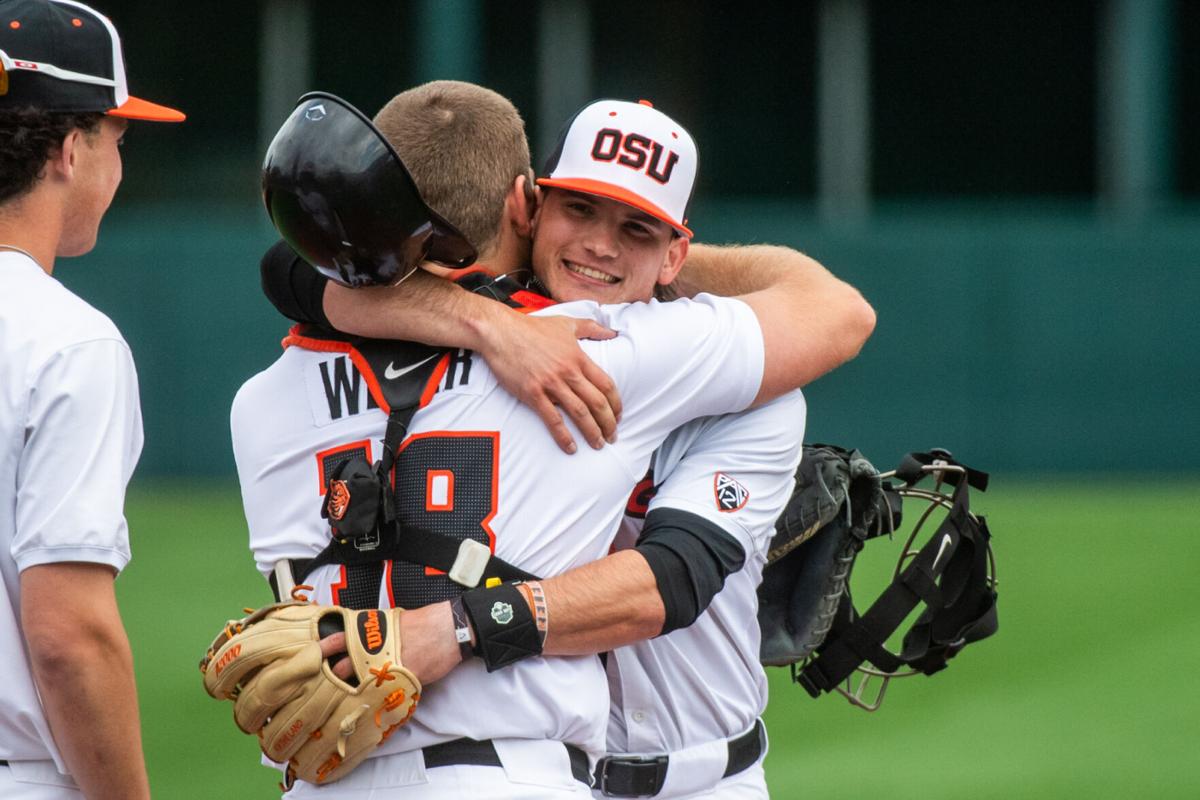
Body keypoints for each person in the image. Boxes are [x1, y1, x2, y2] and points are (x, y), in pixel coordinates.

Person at [233, 86, 873, 798]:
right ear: (529, 206)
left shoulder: (263, 397)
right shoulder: (609, 349)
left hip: (703, 775)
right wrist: (495, 325)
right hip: (541, 768)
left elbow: (671, 577)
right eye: (580, 209)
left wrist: (454, 628)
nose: (600, 242)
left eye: (638, 227)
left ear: (676, 251)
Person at [0, 2, 184, 798]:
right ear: (70, 150)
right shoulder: (64, 340)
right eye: (118, 136)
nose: (118, 159)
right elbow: (69, 638)